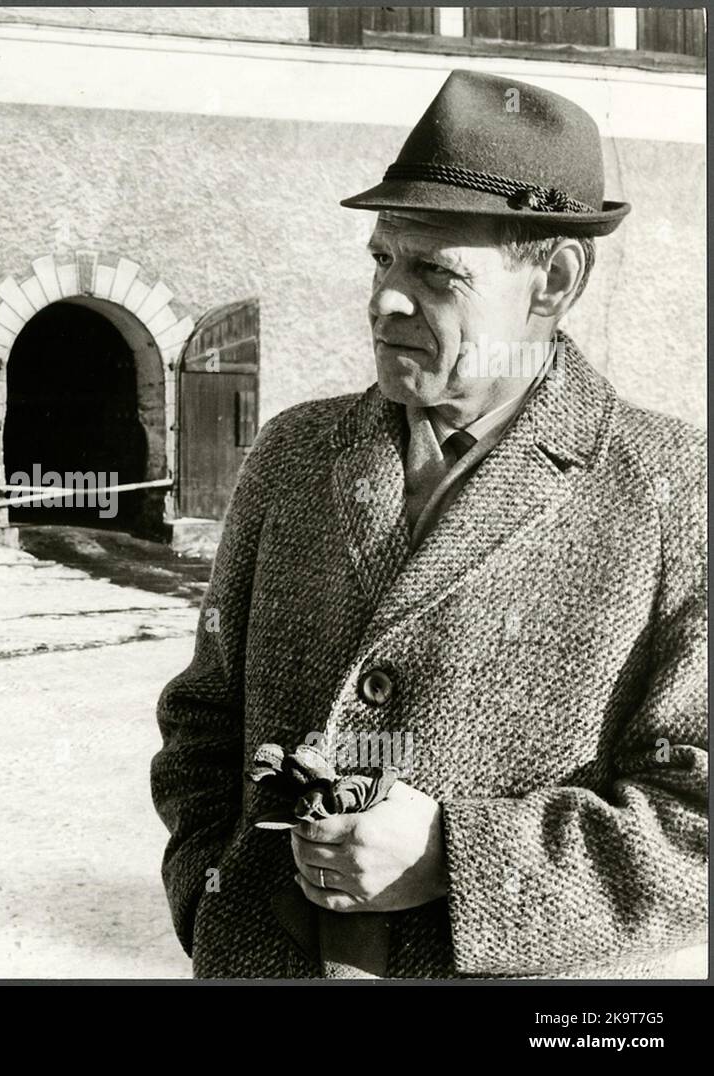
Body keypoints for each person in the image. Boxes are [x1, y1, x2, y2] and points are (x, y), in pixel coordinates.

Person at [152, 69, 707, 979]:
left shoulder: (675, 489)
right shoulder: (293, 454)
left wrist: (461, 858)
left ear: (555, 279)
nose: (385, 302)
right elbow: (203, 722)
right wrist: (213, 899)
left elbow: (699, 821)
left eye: (435, 271)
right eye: (381, 259)